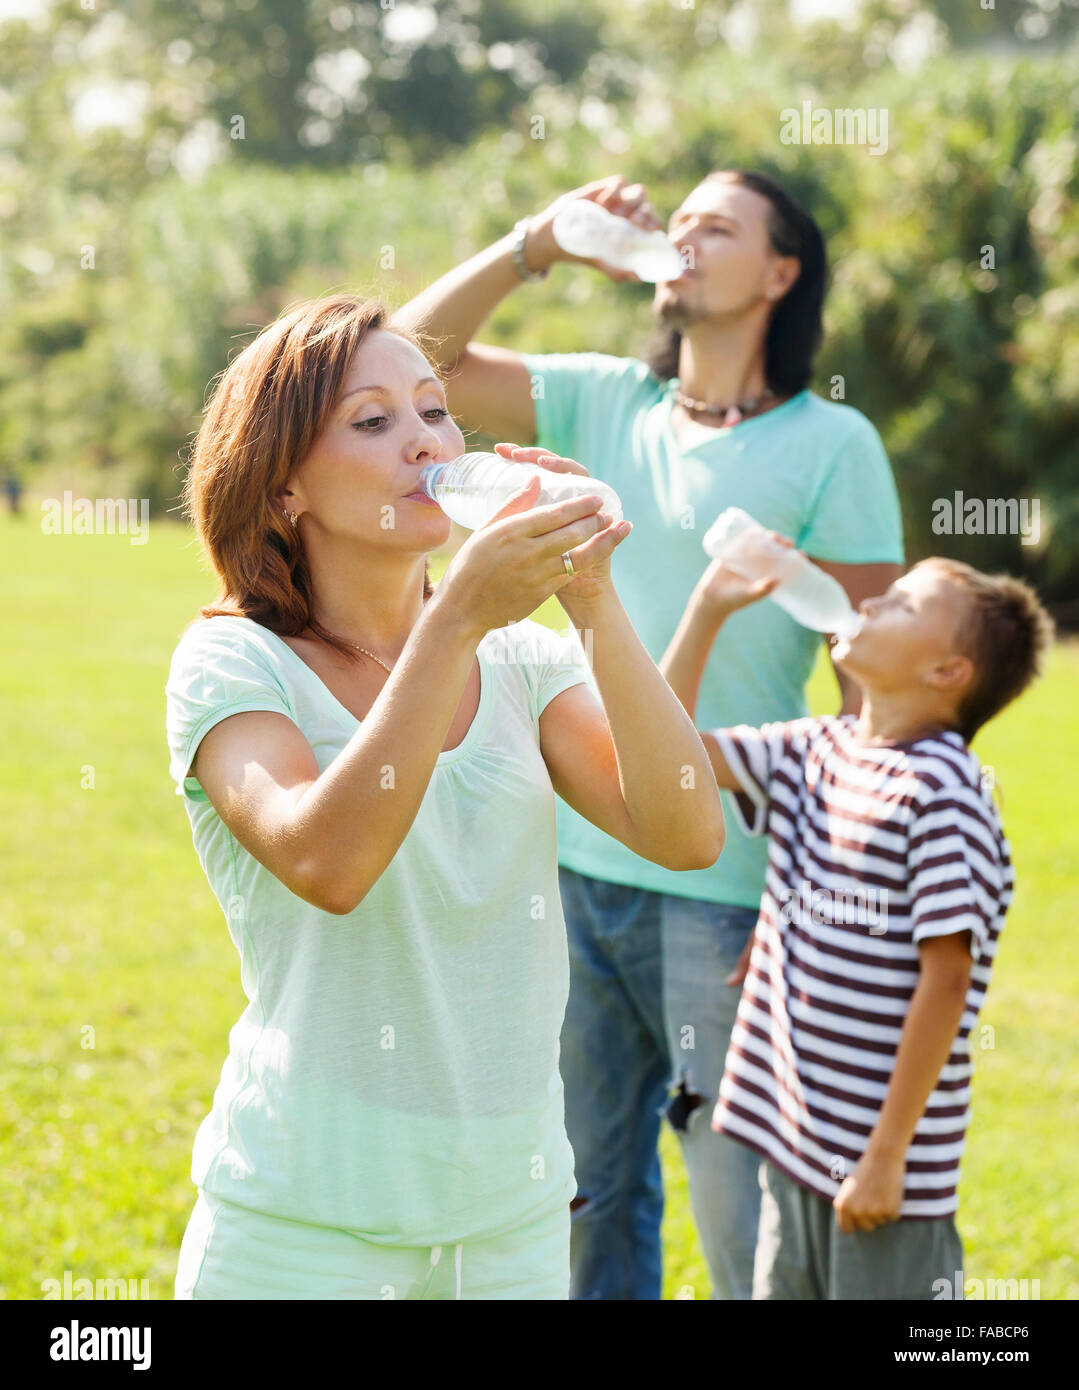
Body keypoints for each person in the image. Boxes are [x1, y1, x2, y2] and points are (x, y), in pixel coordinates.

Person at [395, 170, 905, 1299]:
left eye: (715, 226)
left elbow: (878, 684)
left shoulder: (834, 444)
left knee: (741, 1213)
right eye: (673, 220)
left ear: (780, 274)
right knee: (582, 1197)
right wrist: (537, 243)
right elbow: (398, 364)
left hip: (728, 884)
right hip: (565, 863)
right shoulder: (595, 402)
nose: (682, 235)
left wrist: (823, 883)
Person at [165, 293, 724, 1300]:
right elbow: (327, 861)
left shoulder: (520, 654)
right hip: (303, 1221)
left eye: (433, 409)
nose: (424, 442)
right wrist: (456, 616)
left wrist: (588, 596)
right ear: (281, 485)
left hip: (507, 1222)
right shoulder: (231, 663)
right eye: (373, 422)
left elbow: (685, 829)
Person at [659, 548, 1053, 1298]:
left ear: (948, 673)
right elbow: (665, 753)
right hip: (792, 1141)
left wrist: (885, 1155)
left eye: (901, 605)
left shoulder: (943, 794)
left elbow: (947, 979)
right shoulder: (814, 749)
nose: (869, 606)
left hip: (879, 1177)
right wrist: (707, 608)